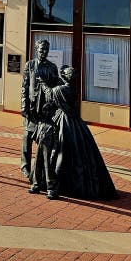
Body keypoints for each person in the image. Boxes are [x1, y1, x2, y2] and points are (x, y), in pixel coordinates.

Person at [49, 66, 117, 200]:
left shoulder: (60, 89)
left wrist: (45, 84)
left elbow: (51, 95)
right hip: (74, 121)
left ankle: (55, 185)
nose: (73, 75)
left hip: (64, 120)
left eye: (73, 74)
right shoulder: (73, 88)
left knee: (59, 151)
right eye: (71, 74)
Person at [20, 39, 59, 183]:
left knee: (43, 140)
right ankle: (25, 166)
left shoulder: (52, 67)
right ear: (36, 49)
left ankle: (41, 170)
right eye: (41, 49)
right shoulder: (29, 65)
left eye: (46, 50)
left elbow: (55, 87)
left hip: (44, 109)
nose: (44, 52)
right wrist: (24, 105)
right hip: (31, 108)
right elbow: (24, 86)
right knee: (27, 137)